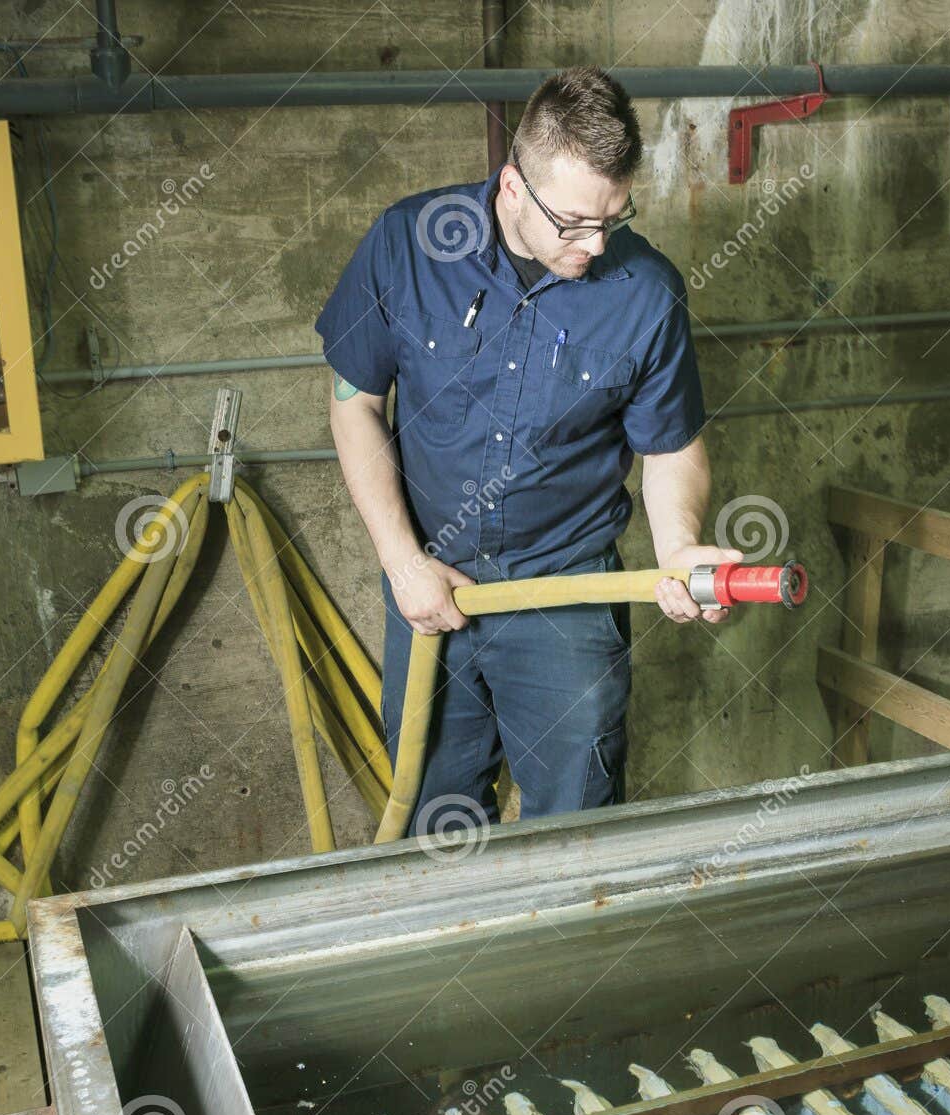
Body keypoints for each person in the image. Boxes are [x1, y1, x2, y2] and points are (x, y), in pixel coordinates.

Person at [316, 64, 739, 834]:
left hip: (566, 594)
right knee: (437, 825)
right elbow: (354, 407)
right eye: (574, 223)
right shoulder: (408, 247)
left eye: (615, 217)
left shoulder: (646, 292)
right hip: (429, 587)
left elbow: (672, 447)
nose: (596, 243)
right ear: (513, 187)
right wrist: (403, 562)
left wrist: (678, 547)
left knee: (577, 834)